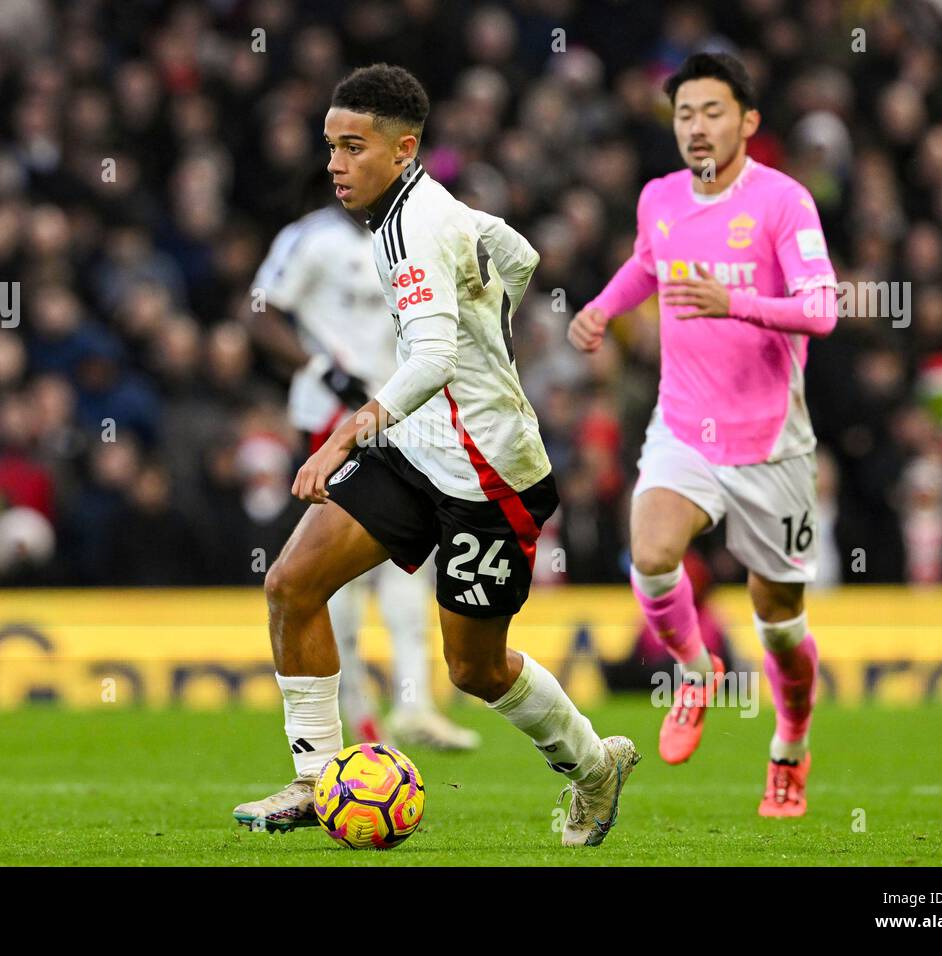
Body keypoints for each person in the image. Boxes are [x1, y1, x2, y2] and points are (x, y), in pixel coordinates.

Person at [234, 63, 639, 847]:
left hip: (490, 472)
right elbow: (517, 255)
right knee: (292, 584)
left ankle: (594, 766)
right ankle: (318, 780)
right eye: (330, 147)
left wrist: (346, 433)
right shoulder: (430, 211)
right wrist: (494, 325)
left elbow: (433, 358)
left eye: (353, 148)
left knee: (475, 670)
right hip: (419, 447)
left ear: (404, 148)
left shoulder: (413, 226)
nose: (335, 165)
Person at [569, 52, 838, 817]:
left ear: (748, 122)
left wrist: (737, 302)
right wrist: (602, 307)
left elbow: (823, 310)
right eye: (685, 113)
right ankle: (693, 667)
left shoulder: (786, 203)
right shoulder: (659, 198)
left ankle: (790, 742)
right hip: (685, 426)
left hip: (772, 445)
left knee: (780, 625)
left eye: (712, 111)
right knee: (652, 558)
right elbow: (646, 266)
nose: (696, 126)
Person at [239, 170, 480, 751]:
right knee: (337, 563)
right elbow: (257, 309)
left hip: (402, 409)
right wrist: (319, 366)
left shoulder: (409, 236)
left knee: (408, 557)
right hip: (334, 414)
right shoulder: (311, 237)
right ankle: (359, 712)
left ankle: (413, 705)